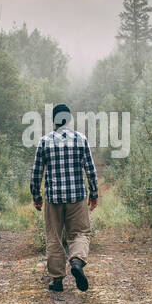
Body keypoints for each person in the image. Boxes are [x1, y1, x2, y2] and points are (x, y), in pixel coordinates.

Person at [29, 104, 98, 292]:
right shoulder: (80, 139)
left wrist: (36, 196)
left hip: (54, 199)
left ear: (54, 120)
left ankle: (57, 281)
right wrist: (94, 194)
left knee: (54, 238)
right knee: (80, 233)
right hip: (77, 197)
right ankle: (76, 261)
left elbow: (36, 173)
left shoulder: (45, 141)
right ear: (68, 119)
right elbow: (90, 171)